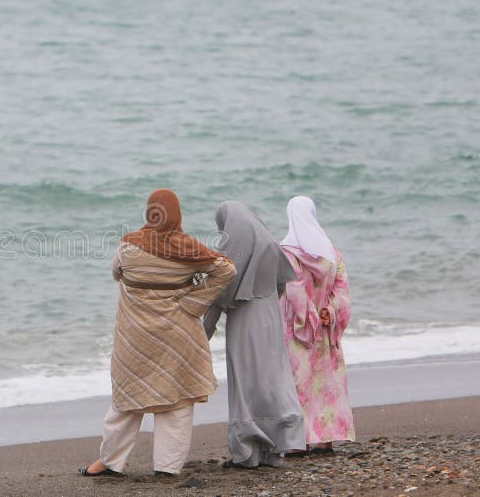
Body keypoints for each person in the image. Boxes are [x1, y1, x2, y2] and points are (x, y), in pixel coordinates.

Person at [80, 189, 236, 477]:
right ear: (177, 214)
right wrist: (194, 301)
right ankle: (167, 467)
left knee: (126, 399)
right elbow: (226, 270)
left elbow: (116, 273)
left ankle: (109, 462)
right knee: (176, 401)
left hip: (134, 337)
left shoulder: (128, 246)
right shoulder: (189, 249)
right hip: (177, 336)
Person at [202, 201, 306, 468]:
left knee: (246, 383)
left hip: (244, 321)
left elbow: (218, 295)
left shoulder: (231, 251)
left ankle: (247, 454)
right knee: (272, 380)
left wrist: (203, 333)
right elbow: (281, 285)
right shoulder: (269, 244)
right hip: (271, 317)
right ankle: (276, 449)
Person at [279, 196, 355, 454]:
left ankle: (298, 443)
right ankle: (326, 439)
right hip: (324, 327)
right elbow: (342, 289)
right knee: (327, 383)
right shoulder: (331, 251)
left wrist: (307, 319)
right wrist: (329, 312)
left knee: (298, 382)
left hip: (297, 329)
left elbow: (294, 290)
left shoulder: (288, 251)